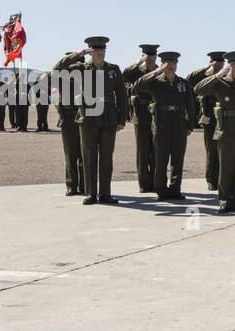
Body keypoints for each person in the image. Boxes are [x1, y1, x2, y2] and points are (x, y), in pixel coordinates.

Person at [53, 36, 129, 205]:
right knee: (89, 156)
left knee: (107, 157)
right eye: (96, 51)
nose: (100, 53)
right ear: (90, 52)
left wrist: (122, 119)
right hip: (88, 116)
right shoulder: (81, 68)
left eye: (102, 50)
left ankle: (105, 194)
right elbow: (57, 69)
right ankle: (90, 194)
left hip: (108, 116)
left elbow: (122, 96)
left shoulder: (113, 69)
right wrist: (76, 54)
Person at [193, 51, 235, 212]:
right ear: (229, 67)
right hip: (226, 131)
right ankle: (224, 201)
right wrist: (217, 75)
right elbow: (197, 89)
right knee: (226, 167)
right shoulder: (220, 83)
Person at [136, 50, 199, 201]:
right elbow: (139, 85)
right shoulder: (155, 82)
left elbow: (190, 105)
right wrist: (156, 72)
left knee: (178, 160)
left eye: (173, 63)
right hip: (161, 124)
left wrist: (190, 125)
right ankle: (162, 190)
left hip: (179, 124)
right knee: (161, 160)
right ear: (163, 65)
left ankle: (175, 189)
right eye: (167, 63)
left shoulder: (183, 83)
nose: (171, 66)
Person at [186, 51, 226, 191]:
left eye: (221, 63)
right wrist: (205, 68)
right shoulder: (204, 76)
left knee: (225, 150)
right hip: (209, 118)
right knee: (211, 150)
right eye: (215, 63)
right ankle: (211, 180)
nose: (219, 65)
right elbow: (189, 79)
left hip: (225, 117)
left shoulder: (227, 75)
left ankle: (223, 179)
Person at [123, 44, 160, 192]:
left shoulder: (160, 70)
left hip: (156, 113)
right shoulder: (136, 71)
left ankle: (156, 181)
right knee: (143, 150)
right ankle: (144, 184)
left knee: (157, 149)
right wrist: (138, 62)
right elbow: (123, 76)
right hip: (141, 112)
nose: (150, 58)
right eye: (147, 56)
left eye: (152, 56)